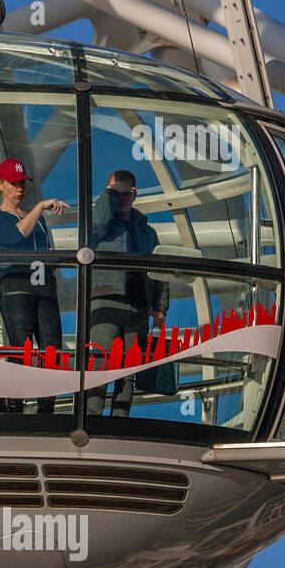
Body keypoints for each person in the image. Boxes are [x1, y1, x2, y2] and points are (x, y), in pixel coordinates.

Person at [0, 157, 67, 414]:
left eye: (22, 185)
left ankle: (46, 407)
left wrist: (52, 256)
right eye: (14, 184)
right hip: (16, 286)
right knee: (20, 348)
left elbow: (38, 245)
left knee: (51, 348)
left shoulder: (35, 219)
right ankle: (16, 407)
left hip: (43, 286)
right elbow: (13, 236)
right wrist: (40, 206)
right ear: (0, 185)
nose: (19, 190)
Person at [85, 170, 169, 416]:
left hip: (138, 306)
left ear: (133, 194)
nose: (118, 199)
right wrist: (107, 196)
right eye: (113, 194)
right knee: (99, 364)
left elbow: (160, 268)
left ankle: (119, 422)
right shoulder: (101, 225)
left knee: (128, 371)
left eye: (123, 194)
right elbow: (93, 227)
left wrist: (160, 306)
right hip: (106, 300)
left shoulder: (147, 232)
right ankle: (91, 419)